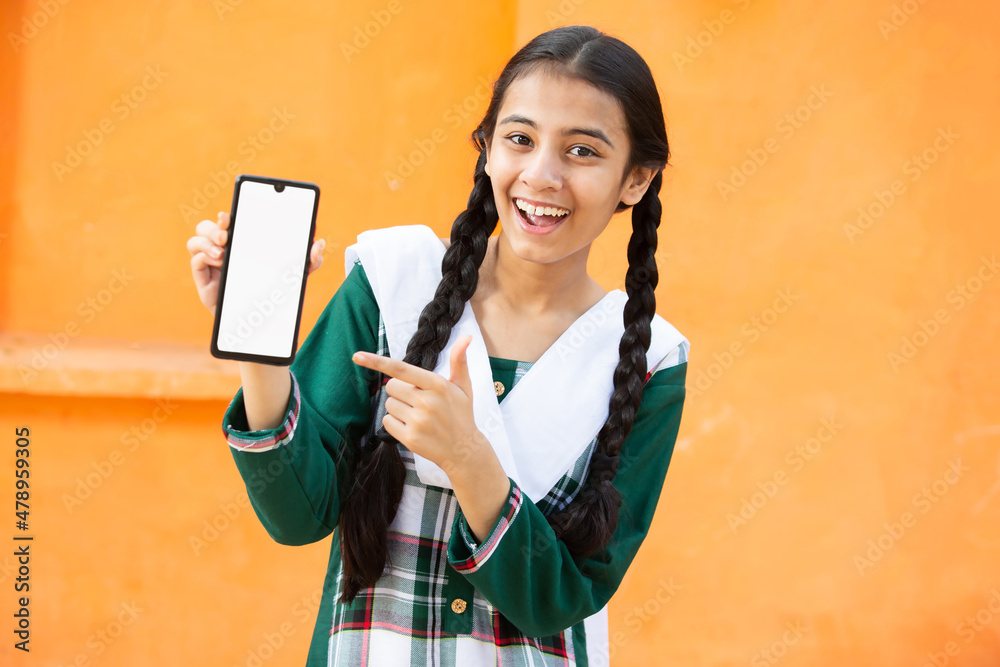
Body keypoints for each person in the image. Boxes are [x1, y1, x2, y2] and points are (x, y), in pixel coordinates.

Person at [187, 24, 690, 667]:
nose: (541, 174)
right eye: (519, 139)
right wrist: (256, 342)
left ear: (637, 178)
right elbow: (296, 514)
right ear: (486, 149)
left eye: (583, 151)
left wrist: (469, 458)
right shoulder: (392, 281)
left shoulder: (650, 362)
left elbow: (564, 595)